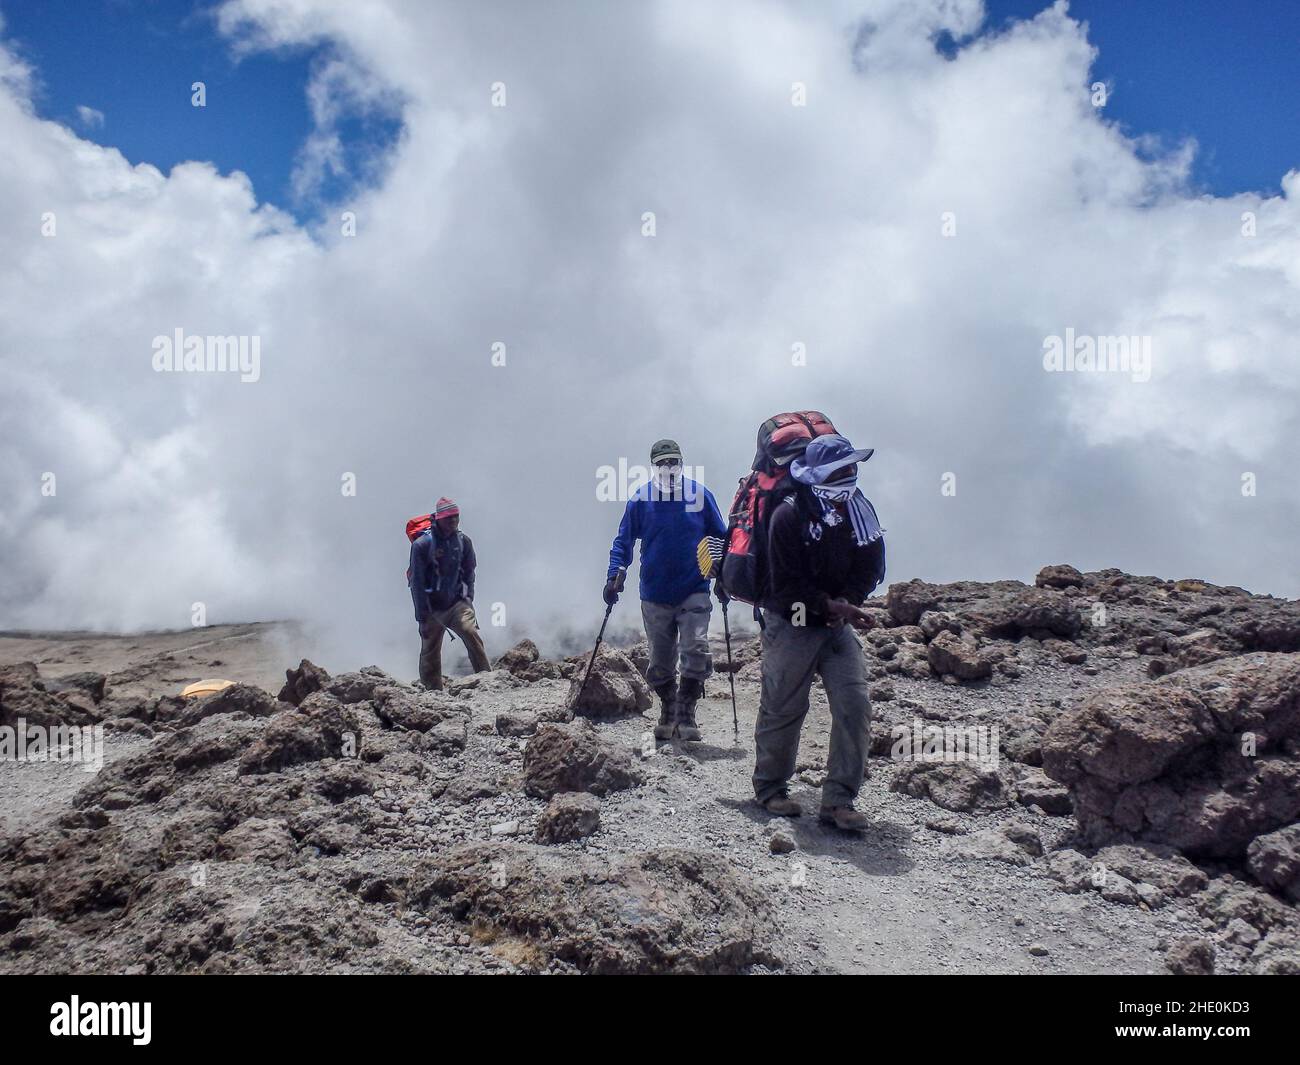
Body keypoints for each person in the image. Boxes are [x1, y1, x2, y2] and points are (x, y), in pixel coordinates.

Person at [752, 434, 886, 830]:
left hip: (836, 623)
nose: (851, 475)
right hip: (792, 621)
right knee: (784, 706)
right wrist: (827, 606)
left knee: (855, 704)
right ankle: (771, 788)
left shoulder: (858, 510)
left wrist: (847, 601)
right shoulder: (788, 515)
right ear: (819, 474)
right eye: (842, 470)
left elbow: (870, 565)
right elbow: (784, 585)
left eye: (853, 468)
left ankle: (838, 800)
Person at [605, 439, 727, 740]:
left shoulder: (700, 495)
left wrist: (725, 574)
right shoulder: (641, 500)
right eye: (662, 463)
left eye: (673, 462)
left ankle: (686, 711)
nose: (668, 468)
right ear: (653, 466)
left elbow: (721, 537)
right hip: (655, 592)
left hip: (694, 587)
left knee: (696, 649)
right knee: (660, 661)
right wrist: (614, 575)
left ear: (682, 463)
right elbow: (623, 542)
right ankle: (669, 705)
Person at [408, 497, 491, 690]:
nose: (453, 521)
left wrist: (468, 597)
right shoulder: (421, 545)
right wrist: (421, 615)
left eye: (456, 517)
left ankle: (488, 680)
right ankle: (432, 691)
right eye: (449, 518)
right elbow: (417, 582)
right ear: (439, 519)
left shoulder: (463, 541)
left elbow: (470, 570)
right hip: (431, 608)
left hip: (456, 603)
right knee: (430, 650)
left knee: (470, 632)